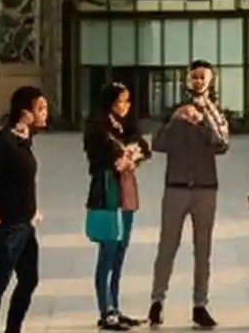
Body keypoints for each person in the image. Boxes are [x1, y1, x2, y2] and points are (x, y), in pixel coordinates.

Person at [148, 59, 230, 329]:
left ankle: (200, 305)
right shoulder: (174, 110)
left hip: (205, 189)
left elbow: (222, 143)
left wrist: (204, 117)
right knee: (167, 247)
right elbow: (158, 143)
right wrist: (175, 120)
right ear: (186, 79)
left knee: (203, 250)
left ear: (211, 81)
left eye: (203, 77)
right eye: (194, 76)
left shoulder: (216, 112)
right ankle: (157, 302)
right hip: (176, 187)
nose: (198, 81)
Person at [0, 86, 50, 333]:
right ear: (26, 113)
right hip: (7, 228)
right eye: (40, 108)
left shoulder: (24, 139)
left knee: (29, 280)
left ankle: (13, 329)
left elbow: (20, 179)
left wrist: (32, 209)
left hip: (25, 226)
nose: (45, 113)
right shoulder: (3, 142)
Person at [84, 83, 151, 330]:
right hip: (107, 194)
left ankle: (115, 305)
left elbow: (144, 148)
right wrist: (122, 158)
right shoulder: (97, 129)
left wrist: (132, 156)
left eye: (127, 101)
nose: (126, 106)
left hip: (126, 194)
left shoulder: (126, 127)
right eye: (121, 101)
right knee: (108, 252)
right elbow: (101, 160)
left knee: (120, 254)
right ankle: (106, 310)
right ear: (110, 102)